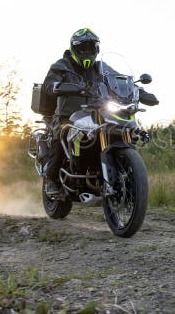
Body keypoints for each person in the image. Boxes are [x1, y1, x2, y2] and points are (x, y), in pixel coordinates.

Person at [40, 27, 158, 196]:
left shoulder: (100, 67)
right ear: (75, 49)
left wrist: (141, 93)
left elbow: (120, 80)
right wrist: (58, 86)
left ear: (96, 50)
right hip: (66, 115)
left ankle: (123, 179)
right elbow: (49, 85)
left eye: (91, 48)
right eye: (83, 48)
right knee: (63, 135)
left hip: (96, 113)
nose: (87, 52)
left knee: (121, 130)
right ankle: (51, 179)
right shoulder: (62, 66)